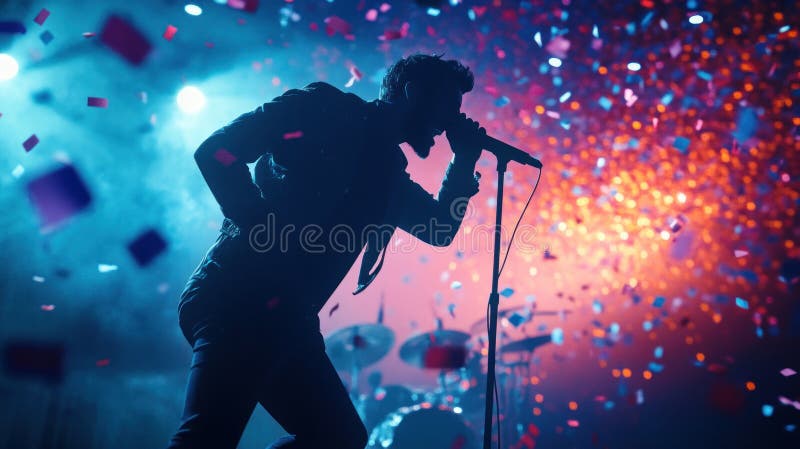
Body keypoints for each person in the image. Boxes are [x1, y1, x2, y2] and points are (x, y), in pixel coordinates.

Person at [167, 53, 485, 449]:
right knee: (208, 436)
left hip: (288, 316)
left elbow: (438, 229)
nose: (447, 125)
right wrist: (265, 233)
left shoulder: (387, 173)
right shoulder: (322, 108)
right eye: (446, 109)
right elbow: (217, 151)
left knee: (338, 438)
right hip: (239, 294)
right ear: (412, 93)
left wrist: (465, 158)